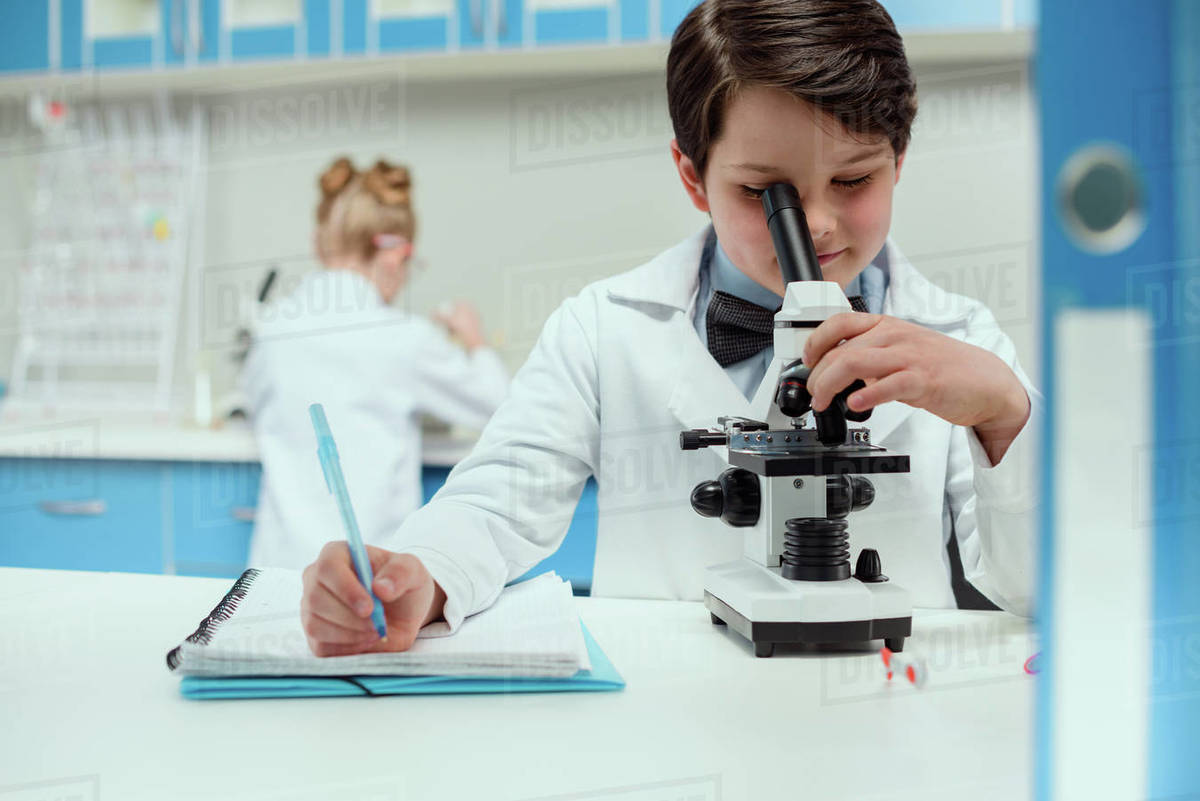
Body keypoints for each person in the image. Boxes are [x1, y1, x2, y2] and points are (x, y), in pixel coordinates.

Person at [297, 0, 1040, 657]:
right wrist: (417, 577)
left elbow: (1038, 589)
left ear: (899, 160)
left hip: (885, 723)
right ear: (693, 177)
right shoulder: (603, 328)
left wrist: (1005, 415)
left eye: (853, 180)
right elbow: (493, 505)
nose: (814, 224)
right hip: (665, 722)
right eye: (764, 192)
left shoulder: (963, 336)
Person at [242, 156, 510, 571]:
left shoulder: (272, 330)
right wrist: (474, 337)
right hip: (366, 585)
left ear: (319, 243)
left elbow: (255, 402)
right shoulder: (405, 338)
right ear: (395, 256)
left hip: (274, 574)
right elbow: (500, 407)